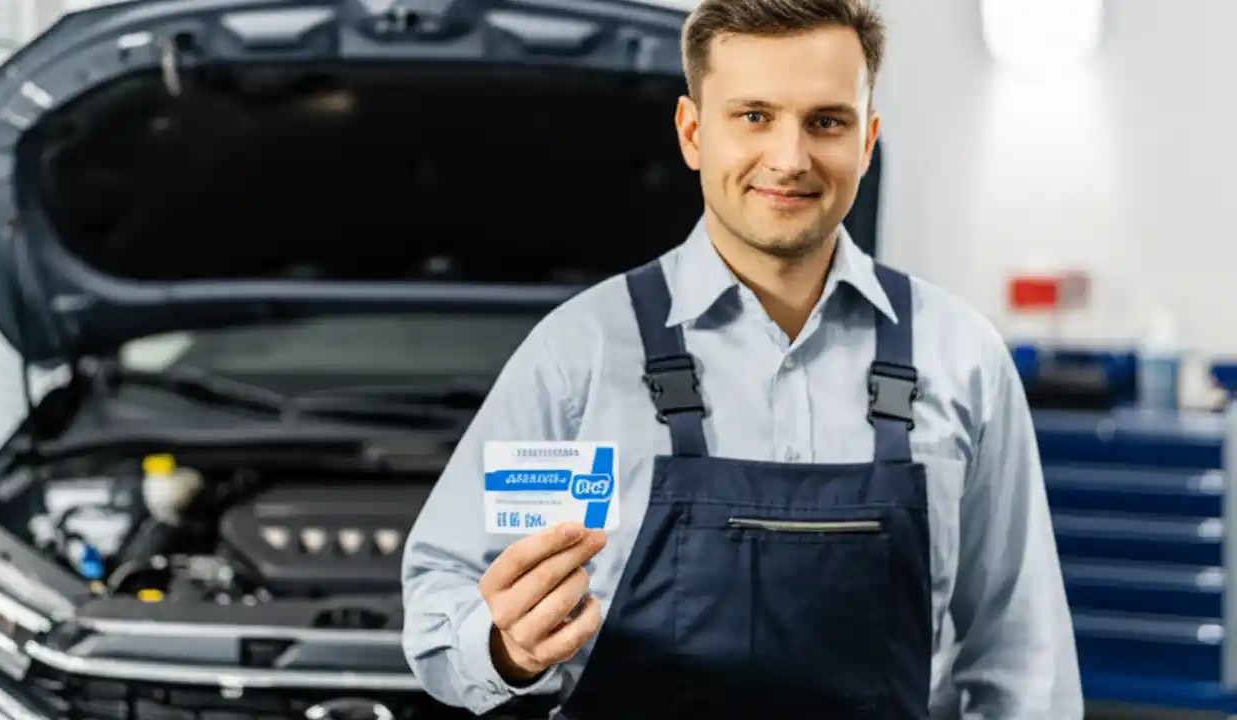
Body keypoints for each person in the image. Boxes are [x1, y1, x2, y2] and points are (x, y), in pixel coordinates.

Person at [400, 0, 1083, 717]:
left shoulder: (962, 359)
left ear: (867, 138)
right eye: (754, 116)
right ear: (693, 133)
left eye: (826, 121)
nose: (789, 159)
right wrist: (506, 649)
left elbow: (1022, 659)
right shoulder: (582, 356)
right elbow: (442, 591)